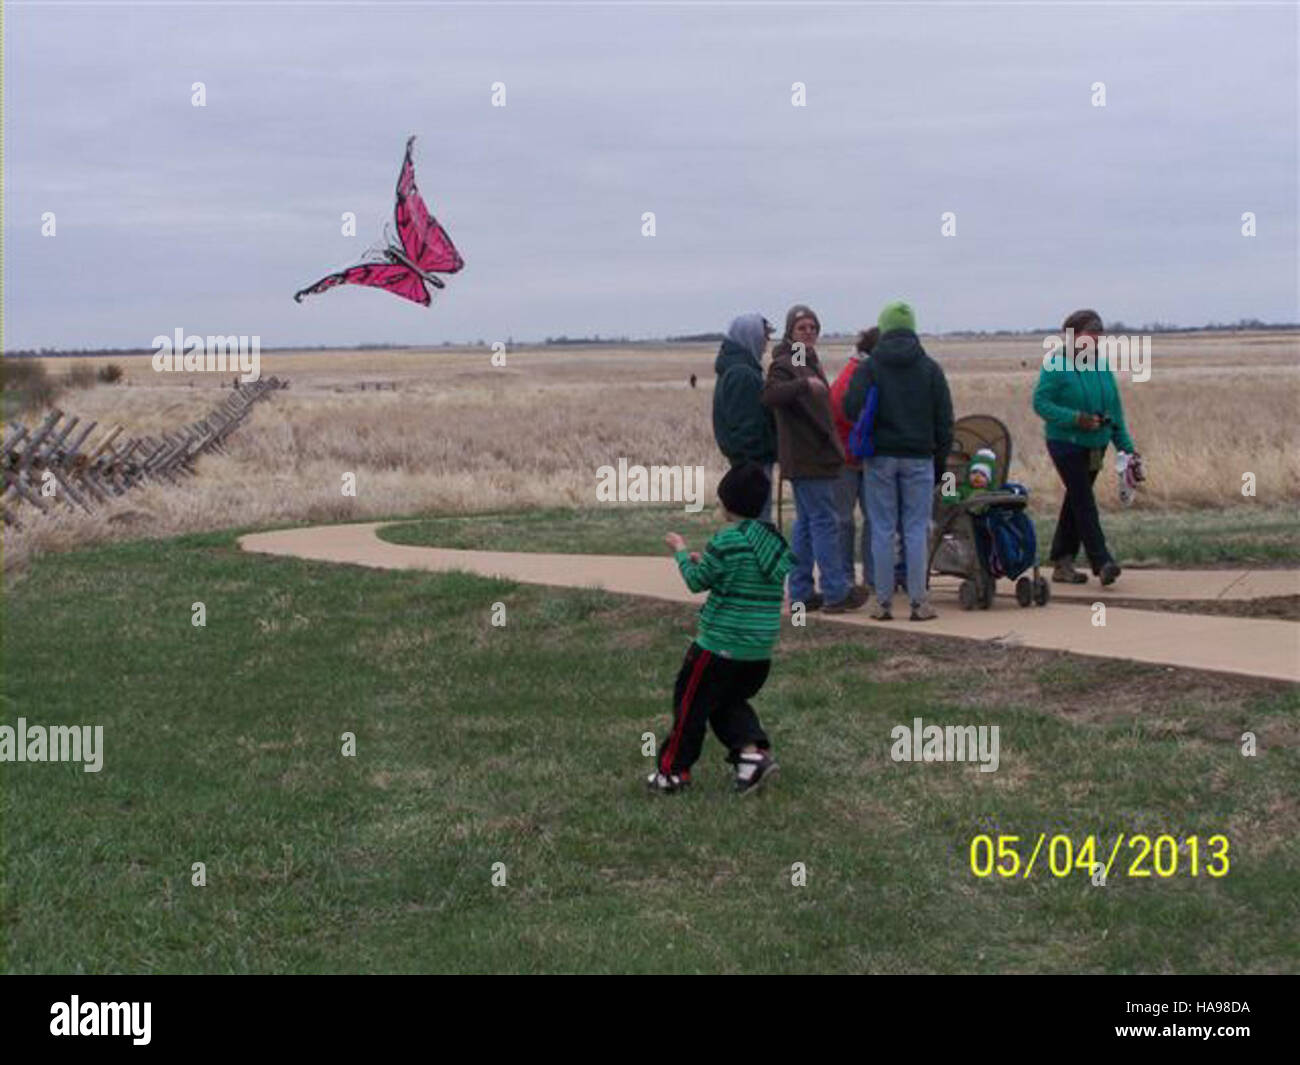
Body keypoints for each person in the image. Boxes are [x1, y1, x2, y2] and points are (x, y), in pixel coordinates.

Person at [650, 462, 795, 795]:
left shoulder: (726, 540)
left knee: (689, 706)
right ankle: (751, 757)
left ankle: (672, 772)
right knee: (725, 702)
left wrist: (682, 553)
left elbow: (696, 583)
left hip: (718, 648)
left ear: (727, 503)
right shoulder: (772, 542)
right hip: (758, 654)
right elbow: (749, 576)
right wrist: (711, 563)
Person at [844, 300, 953, 621]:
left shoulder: (870, 366)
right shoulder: (930, 368)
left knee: (882, 528)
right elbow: (945, 420)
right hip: (920, 458)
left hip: (879, 457)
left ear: (885, 328)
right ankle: (919, 603)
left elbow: (851, 408)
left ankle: (883, 603)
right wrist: (940, 462)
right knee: (916, 529)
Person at [761, 304, 865, 613]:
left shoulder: (802, 359)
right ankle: (835, 592)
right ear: (790, 331)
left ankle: (802, 591)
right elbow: (771, 394)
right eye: (801, 327)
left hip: (812, 455)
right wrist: (804, 385)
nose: (808, 332)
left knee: (807, 524)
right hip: (809, 456)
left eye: (812, 328)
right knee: (824, 523)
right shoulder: (788, 361)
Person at [1033, 309, 1139, 586]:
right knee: (1084, 501)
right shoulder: (1056, 364)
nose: (1094, 340)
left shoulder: (1101, 366)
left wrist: (1127, 450)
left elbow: (1115, 410)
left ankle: (1061, 559)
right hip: (1065, 443)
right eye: (1089, 334)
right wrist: (1076, 419)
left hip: (1096, 445)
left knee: (1075, 501)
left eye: (1098, 335)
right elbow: (1041, 403)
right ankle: (1101, 561)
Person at [712, 313, 778, 521]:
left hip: (749, 463)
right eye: (764, 336)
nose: (766, 344)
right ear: (751, 336)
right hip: (754, 463)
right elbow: (747, 426)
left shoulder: (740, 368)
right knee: (759, 524)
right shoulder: (743, 374)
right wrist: (755, 464)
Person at [829, 327, 877, 595]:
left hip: (853, 456)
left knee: (852, 520)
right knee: (848, 520)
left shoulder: (855, 371)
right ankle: (856, 576)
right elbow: (841, 409)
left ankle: (860, 576)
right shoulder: (856, 375)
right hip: (849, 458)